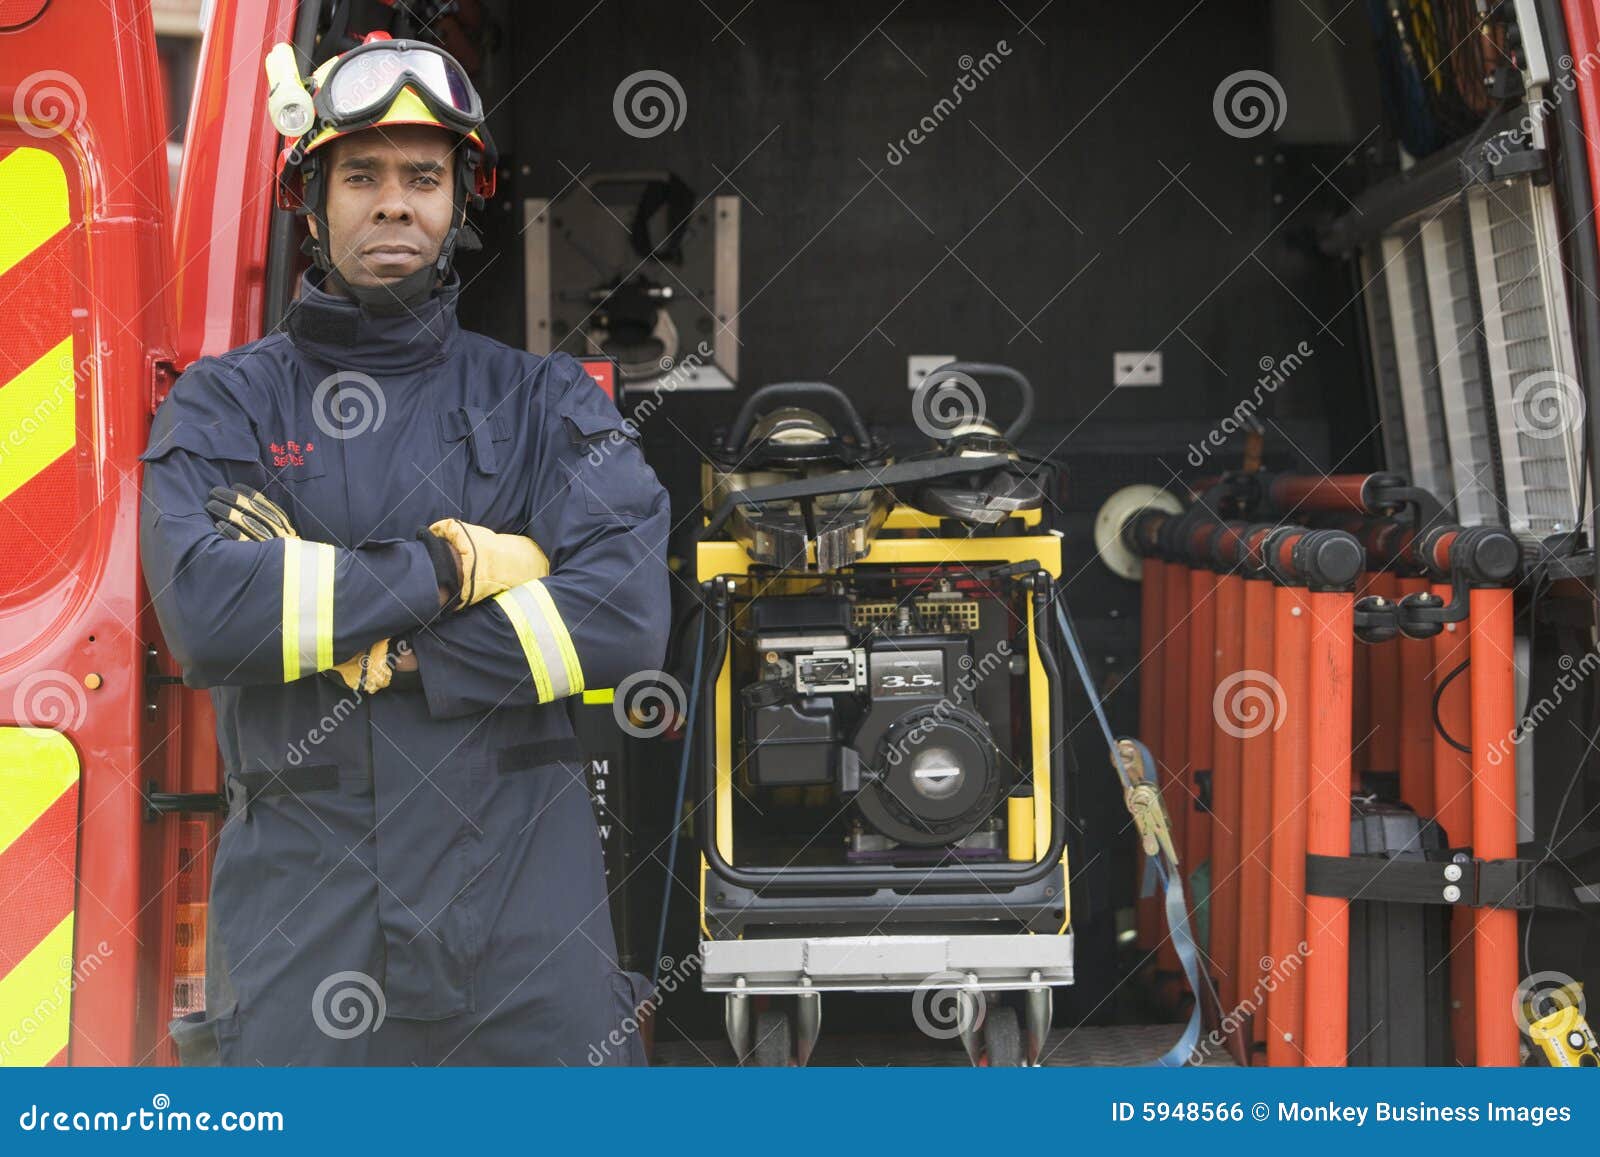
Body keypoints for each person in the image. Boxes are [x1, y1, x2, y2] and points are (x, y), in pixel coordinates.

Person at [139, 33, 669, 1065]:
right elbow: (207, 607)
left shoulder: (541, 400)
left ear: (458, 201)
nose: (394, 204)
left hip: (527, 918)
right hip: (307, 916)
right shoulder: (227, 400)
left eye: (423, 177)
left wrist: (393, 648)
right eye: (363, 175)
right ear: (310, 197)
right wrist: (452, 567)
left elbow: (622, 612)